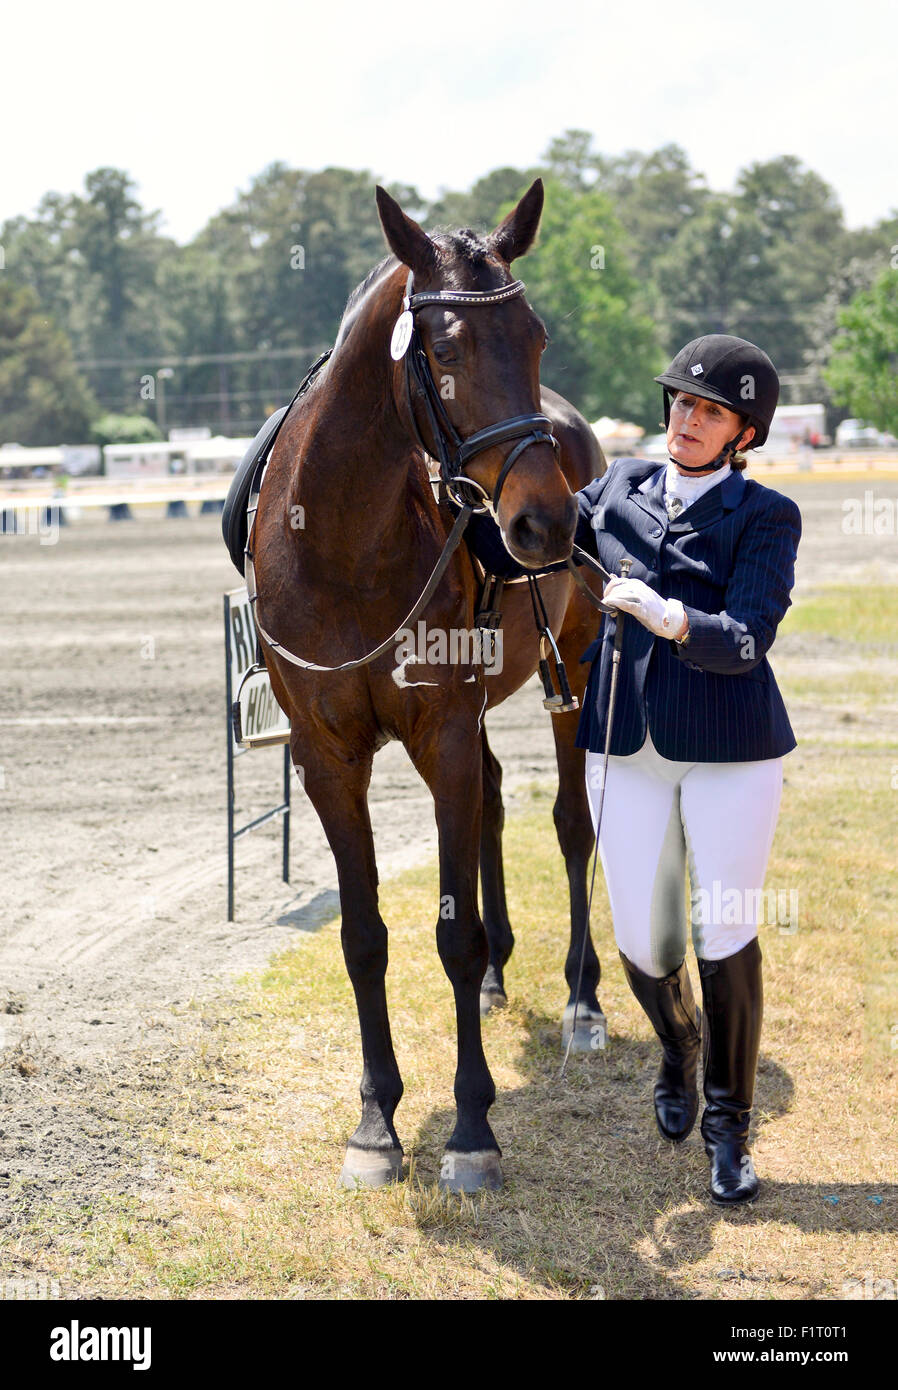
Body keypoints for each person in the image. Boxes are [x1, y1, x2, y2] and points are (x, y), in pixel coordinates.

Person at [573, 335, 801, 1204]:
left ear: (744, 433)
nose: (688, 419)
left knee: (725, 929)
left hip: (730, 746)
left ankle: (728, 1128)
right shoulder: (619, 486)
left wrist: (670, 618)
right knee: (641, 939)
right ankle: (677, 1044)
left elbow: (747, 640)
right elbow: (530, 539)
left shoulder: (767, 515)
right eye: (681, 402)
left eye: (710, 411)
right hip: (623, 741)